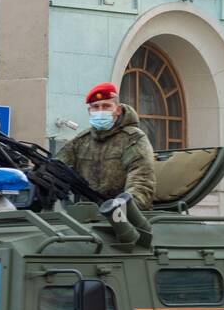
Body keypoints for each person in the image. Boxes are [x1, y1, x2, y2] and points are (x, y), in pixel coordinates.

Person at [56, 82, 158, 212]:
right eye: (95, 107)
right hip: (88, 215)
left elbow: (142, 182)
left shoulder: (133, 139)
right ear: (89, 111)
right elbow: (57, 166)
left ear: (118, 109)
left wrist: (124, 208)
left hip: (125, 218)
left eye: (106, 106)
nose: (100, 111)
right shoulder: (81, 141)